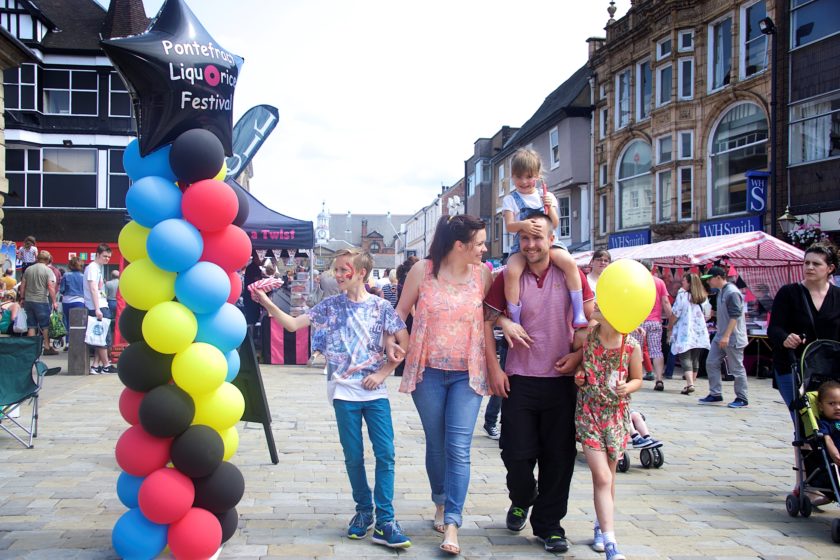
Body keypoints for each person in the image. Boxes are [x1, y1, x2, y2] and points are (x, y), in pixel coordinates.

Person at [254, 248, 412, 549]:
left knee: (386, 453)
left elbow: (405, 344)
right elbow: (292, 324)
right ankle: (364, 512)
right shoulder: (330, 306)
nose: (337, 275)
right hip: (343, 391)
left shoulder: (381, 308)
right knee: (353, 456)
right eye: (336, 270)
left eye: (343, 270)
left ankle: (386, 520)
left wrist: (384, 372)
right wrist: (266, 303)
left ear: (361, 273)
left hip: (375, 392)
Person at [484, 211, 594, 554]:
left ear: (551, 240)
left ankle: (549, 526)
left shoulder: (570, 274)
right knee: (515, 454)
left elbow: (593, 322)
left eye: (538, 238)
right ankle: (522, 497)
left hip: (560, 380)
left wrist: (577, 358)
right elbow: (484, 320)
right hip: (518, 378)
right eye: (525, 239)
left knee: (558, 458)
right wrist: (495, 366)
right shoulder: (506, 275)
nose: (531, 245)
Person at [396, 214, 492, 556]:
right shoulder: (423, 271)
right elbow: (400, 313)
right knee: (436, 444)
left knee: (459, 447)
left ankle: (452, 521)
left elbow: (493, 315)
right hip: (429, 372)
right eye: (479, 243)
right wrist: (401, 343)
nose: (484, 248)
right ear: (459, 245)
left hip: (469, 373)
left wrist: (506, 326)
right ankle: (439, 500)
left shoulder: (484, 274)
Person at [573, 304, 643, 560]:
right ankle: (612, 544)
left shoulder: (631, 344)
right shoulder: (586, 337)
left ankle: (602, 527)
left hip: (615, 415)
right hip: (590, 413)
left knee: (609, 478)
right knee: (602, 476)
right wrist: (579, 374)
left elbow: (638, 377)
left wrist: (629, 387)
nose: (597, 310)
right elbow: (579, 366)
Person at [501, 148, 587, 328]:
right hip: (521, 245)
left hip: (549, 242)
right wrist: (523, 225)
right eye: (518, 177)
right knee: (512, 272)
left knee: (570, 263)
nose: (523, 181)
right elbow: (509, 226)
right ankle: (515, 318)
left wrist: (550, 206)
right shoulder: (510, 200)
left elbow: (554, 223)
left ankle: (578, 312)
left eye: (528, 176)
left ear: (538, 176)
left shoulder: (546, 196)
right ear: (512, 177)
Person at [769, 243, 840, 412]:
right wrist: (785, 338)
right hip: (793, 367)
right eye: (806, 263)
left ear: (830, 268)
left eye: (816, 264)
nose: (809, 267)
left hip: (831, 368)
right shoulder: (788, 293)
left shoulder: (838, 296)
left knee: (829, 422)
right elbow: (774, 328)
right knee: (804, 420)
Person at [698, 266, 749, 408]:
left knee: (736, 368)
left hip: (732, 337)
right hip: (720, 335)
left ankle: (742, 398)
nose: (709, 283)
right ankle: (715, 393)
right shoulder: (721, 292)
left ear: (719, 277)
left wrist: (726, 336)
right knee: (711, 362)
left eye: (710, 279)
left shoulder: (732, 293)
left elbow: (735, 316)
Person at [669, 273, 711, 395]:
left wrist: (670, 326)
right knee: (695, 358)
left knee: (685, 357)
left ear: (689, 283)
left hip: (685, 331)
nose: (682, 283)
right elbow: (708, 314)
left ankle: (690, 384)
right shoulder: (703, 297)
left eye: (684, 281)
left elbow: (675, 313)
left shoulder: (682, 296)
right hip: (699, 332)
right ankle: (692, 383)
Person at [639, 260, 672, 391]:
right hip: (654, 321)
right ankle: (659, 379)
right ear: (652, 268)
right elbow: (665, 302)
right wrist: (671, 319)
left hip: (638, 321)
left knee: (636, 350)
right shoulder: (659, 282)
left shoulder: (636, 281)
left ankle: (635, 377)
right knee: (656, 351)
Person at [84, 244, 116, 374]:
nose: (107, 259)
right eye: (104, 256)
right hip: (98, 306)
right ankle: (106, 364)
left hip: (101, 304)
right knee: (102, 337)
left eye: (109, 256)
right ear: (97, 254)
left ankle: (96, 365)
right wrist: (97, 309)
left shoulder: (97, 267)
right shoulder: (92, 268)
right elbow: (93, 288)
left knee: (100, 336)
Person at [19, 250, 58, 355]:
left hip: (28, 300)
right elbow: (50, 287)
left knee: (31, 325)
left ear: (37, 258)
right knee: (45, 325)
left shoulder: (28, 269)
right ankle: (46, 346)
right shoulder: (48, 271)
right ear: (47, 260)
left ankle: (32, 347)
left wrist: (22, 298)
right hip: (41, 301)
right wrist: (54, 301)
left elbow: (22, 285)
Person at [60, 257, 86, 352]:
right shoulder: (84, 277)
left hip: (66, 301)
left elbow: (62, 289)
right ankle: (78, 343)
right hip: (79, 301)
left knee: (67, 322)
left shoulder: (66, 275)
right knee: (78, 323)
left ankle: (68, 342)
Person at [817, 380, 840, 467]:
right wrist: (835, 454)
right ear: (821, 407)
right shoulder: (824, 423)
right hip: (836, 457)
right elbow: (828, 439)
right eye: (831, 404)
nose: (838, 408)